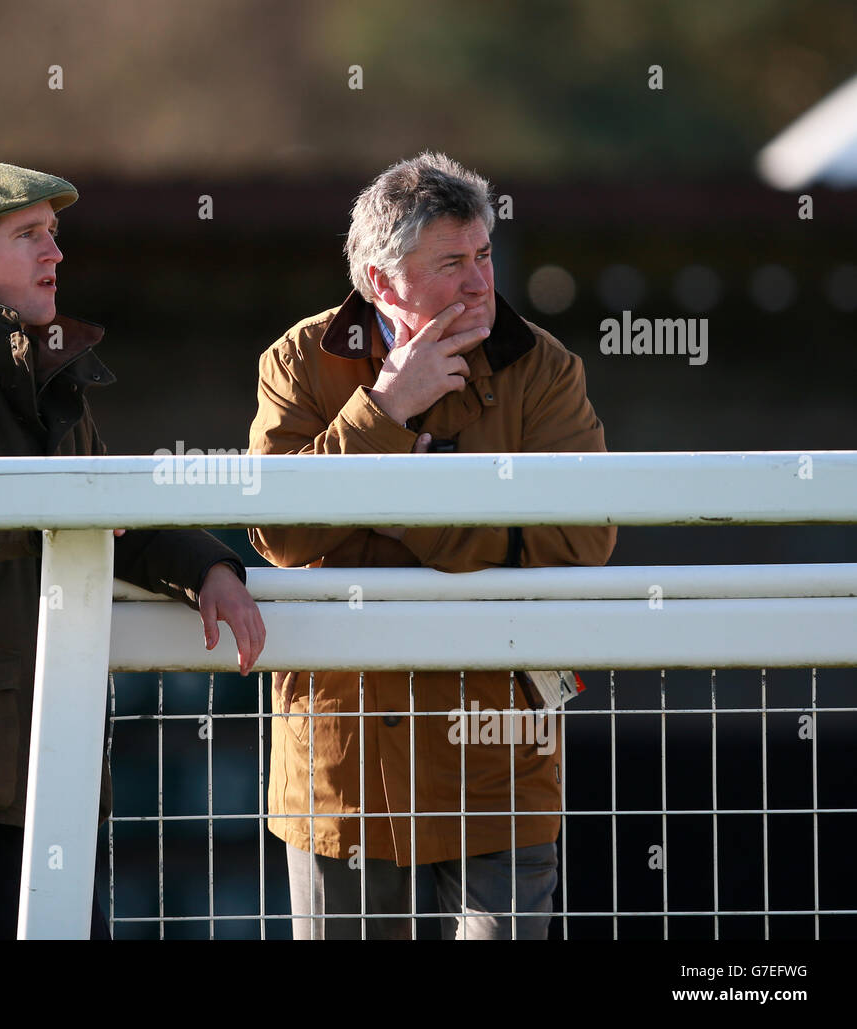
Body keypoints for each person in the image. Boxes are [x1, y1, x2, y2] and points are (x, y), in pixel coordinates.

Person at [0, 161, 266, 940]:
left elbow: (119, 511)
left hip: (37, 770)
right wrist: (64, 520)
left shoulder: (50, 383)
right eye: (28, 235)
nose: (55, 253)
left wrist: (210, 567)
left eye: (53, 235)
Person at [247, 151, 615, 939]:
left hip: (501, 759)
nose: (482, 282)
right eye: (452, 264)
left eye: (484, 255)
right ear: (381, 282)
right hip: (341, 767)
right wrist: (384, 412)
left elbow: (581, 539)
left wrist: (402, 492)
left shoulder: (544, 368)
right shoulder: (297, 360)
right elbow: (278, 531)